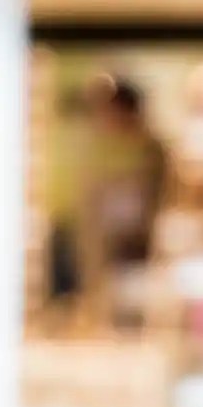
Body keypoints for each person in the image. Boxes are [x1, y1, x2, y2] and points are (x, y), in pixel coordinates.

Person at [80, 79, 169, 327]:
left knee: (131, 309)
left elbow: (155, 197)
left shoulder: (151, 148)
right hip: (101, 245)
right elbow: (90, 197)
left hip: (138, 246)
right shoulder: (97, 146)